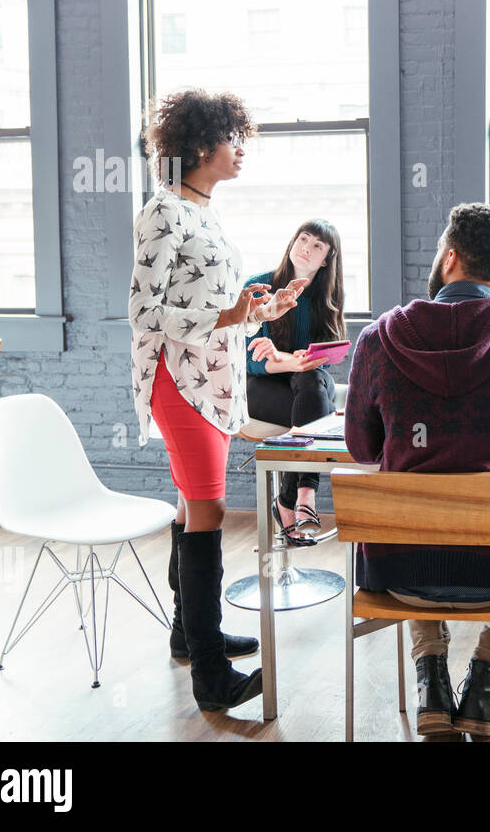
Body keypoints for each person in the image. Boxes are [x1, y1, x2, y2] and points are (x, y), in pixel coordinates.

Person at [344, 203, 490, 740]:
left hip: (398, 572)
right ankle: (482, 681)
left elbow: (361, 447)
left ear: (449, 258)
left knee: (418, 503)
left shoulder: (379, 338)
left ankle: (430, 676)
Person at [130, 89, 304, 712]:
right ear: (202, 146)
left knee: (189, 507)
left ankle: (188, 634)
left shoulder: (203, 212)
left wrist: (261, 312)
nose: (241, 151)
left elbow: (216, 314)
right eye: (233, 138)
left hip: (215, 376)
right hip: (180, 382)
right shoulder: (164, 212)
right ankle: (210, 676)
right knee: (208, 512)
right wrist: (231, 311)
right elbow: (143, 312)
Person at [245, 220, 347, 546]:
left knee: (312, 382)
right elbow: (254, 361)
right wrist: (290, 361)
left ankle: (290, 499)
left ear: (327, 259)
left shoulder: (329, 298)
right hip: (261, 386)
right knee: (314, 403)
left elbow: (326, 357)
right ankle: (304, 496)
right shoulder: (260, 287)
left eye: (318, 245)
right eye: (303, 239)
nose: (306, 247)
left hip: (309, 383)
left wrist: (297, 361)